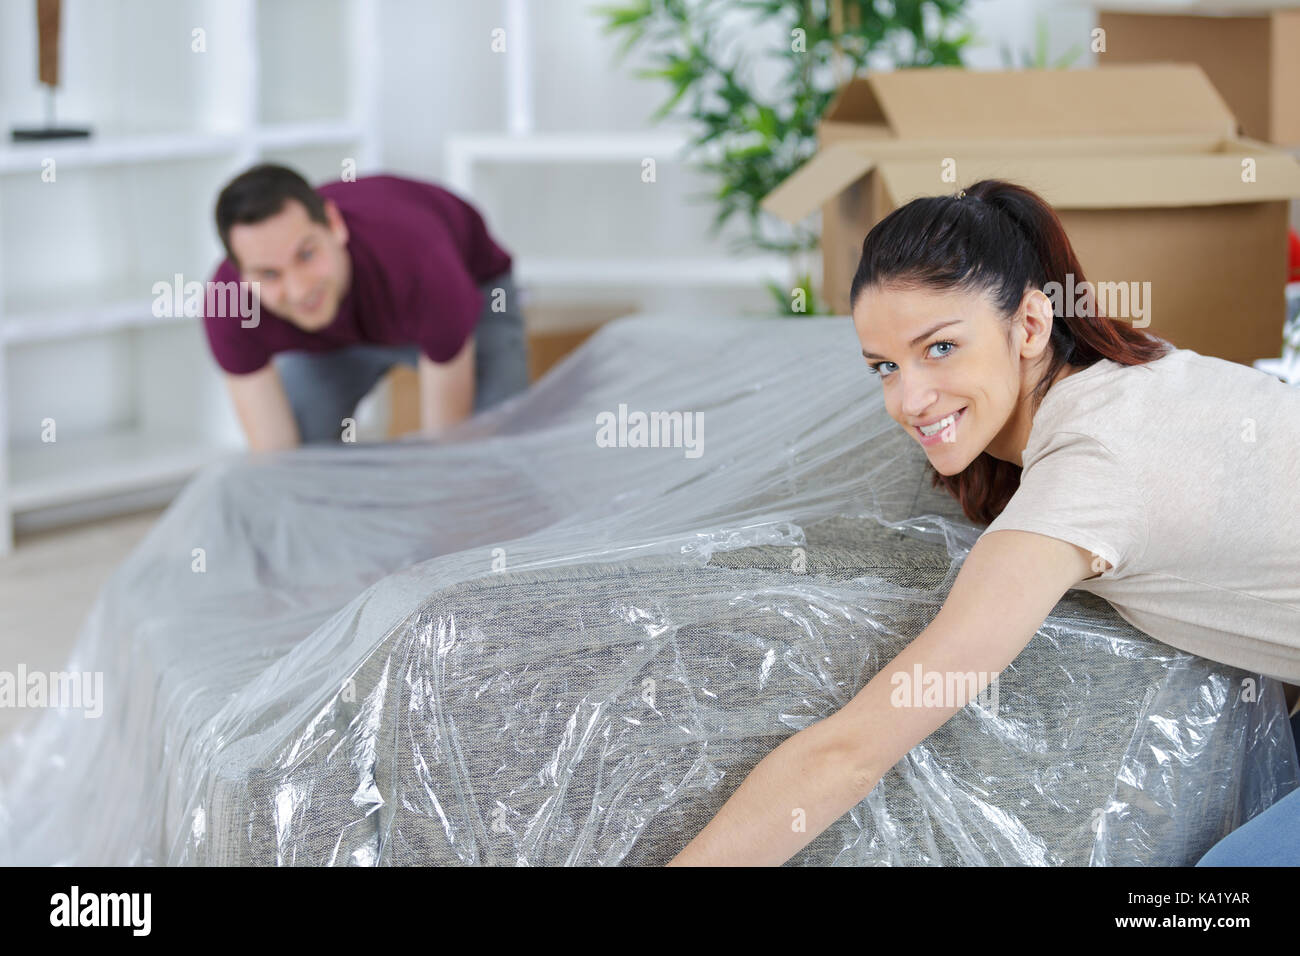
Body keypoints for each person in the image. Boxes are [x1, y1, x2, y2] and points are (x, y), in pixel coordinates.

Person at [667, 178, 1300, 866]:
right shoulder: (1125, 375)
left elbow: (850, 753)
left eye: (939, 348)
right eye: (884, 365)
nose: (909, 400)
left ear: (1030, 325)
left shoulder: (1089, 475)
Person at [201, 164, 528, 449]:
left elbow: (449, 443)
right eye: (269, 274)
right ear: (239, 273)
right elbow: (275, 459)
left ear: (334, 225)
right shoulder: (228, 305)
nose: (298, 291)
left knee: (493, 445)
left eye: (306, 255)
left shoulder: (422, 262)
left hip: (466, 291)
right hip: (335, 340)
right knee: (300, 452)